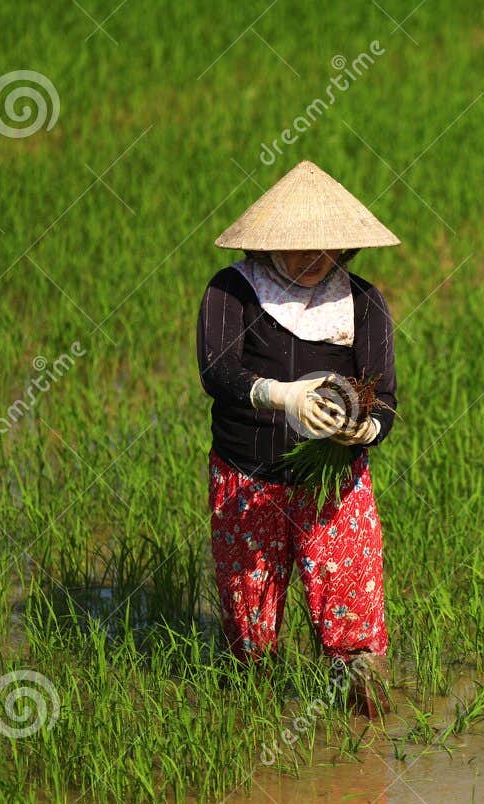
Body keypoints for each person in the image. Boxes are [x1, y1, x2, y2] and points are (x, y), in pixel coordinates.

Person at [196, 160, 401, 715]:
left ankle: (365, 749)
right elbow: (217, 370)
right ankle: (253, 731)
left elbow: (385, 400)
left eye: (325, 248)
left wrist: (365, 425)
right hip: (247, 475)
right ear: (267, 245)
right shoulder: (232, 291)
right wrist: (281, 396)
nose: (313, 259)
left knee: (354, 625)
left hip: (334, 482)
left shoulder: (362, 302)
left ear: (345, 247)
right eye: (298, 247)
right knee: (251, 634)